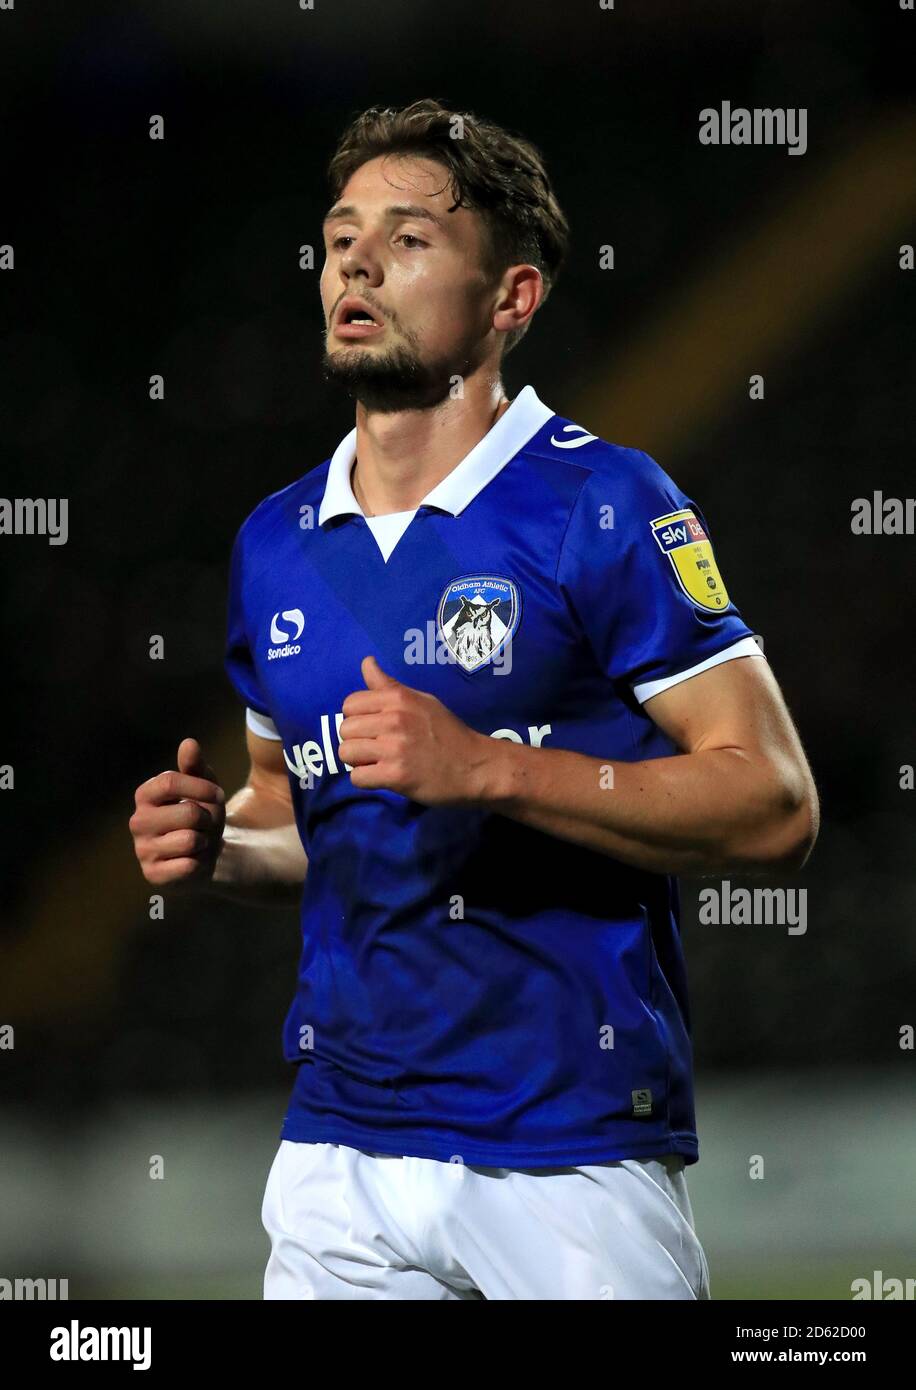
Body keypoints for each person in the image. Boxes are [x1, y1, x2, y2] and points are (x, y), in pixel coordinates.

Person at [129, 99, 818, 1300]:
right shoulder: (276, 540)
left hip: (566, 1159)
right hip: (338, 1153)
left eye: (407, 239)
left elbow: (774, 804)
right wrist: (216, 848)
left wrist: (492, 766)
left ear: (512, 300)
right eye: (342, 235)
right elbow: (295, 821)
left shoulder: (600, 501)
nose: (356, 261)